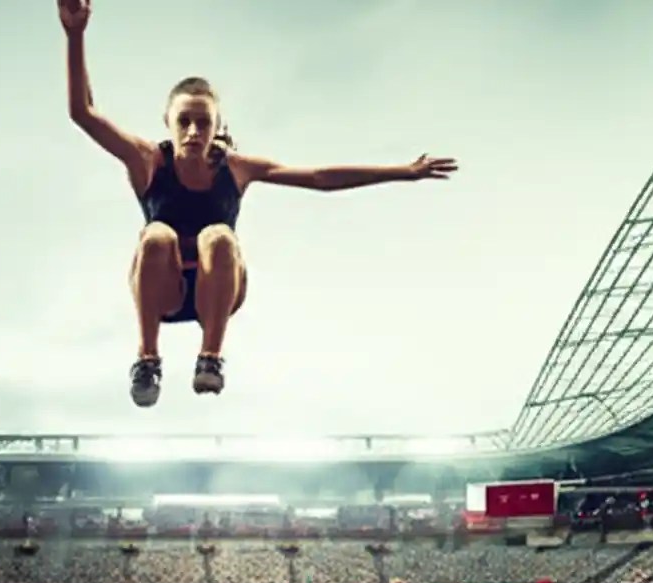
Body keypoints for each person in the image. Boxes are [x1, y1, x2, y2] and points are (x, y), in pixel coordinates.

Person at [58, 0, 458, 408]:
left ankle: (210, 358)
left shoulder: (236, 168)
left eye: (204, 122)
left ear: (218, 126)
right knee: (157, 235)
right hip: (165, 291)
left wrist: (402, 172)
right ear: (168, 123)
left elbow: (319, 178)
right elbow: (84, 113)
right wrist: (75, 35)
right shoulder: (147, 160)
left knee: (220, 236)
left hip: (217, 292)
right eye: (184, 122)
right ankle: (147, 360)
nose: (194, 132)